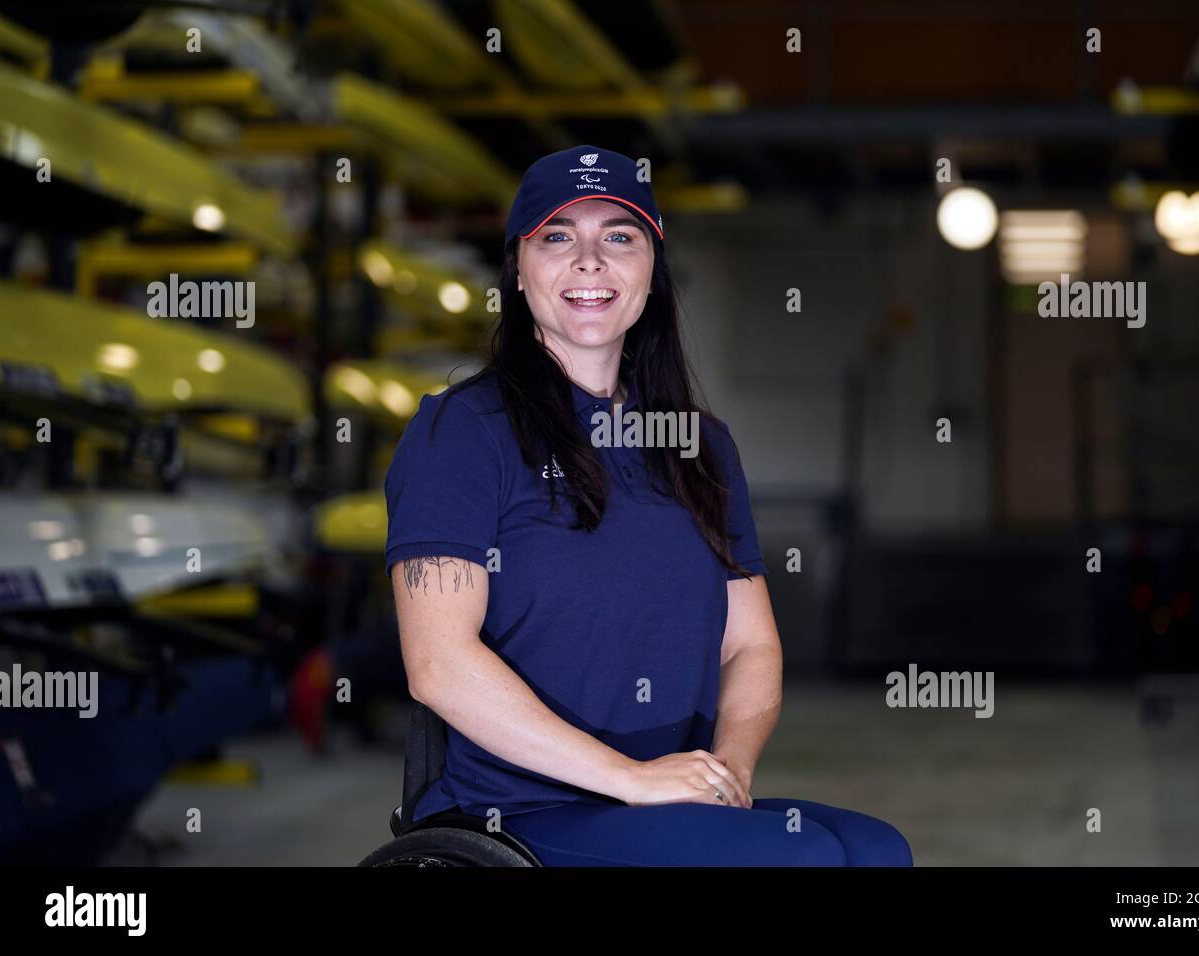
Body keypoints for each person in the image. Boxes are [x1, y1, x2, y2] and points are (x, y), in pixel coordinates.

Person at [383, 144, 912, 866]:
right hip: (526, 808)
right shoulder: (461, 433)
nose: (590, 261)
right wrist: (628, 779)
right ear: (518, 267)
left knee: (876, 850)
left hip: (666, 801)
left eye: (619, 238)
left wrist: (729, 771)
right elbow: (438, 662)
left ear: (651, 273)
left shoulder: (701, 448)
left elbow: (751, 644)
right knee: (798, 860)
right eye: (559, 237)